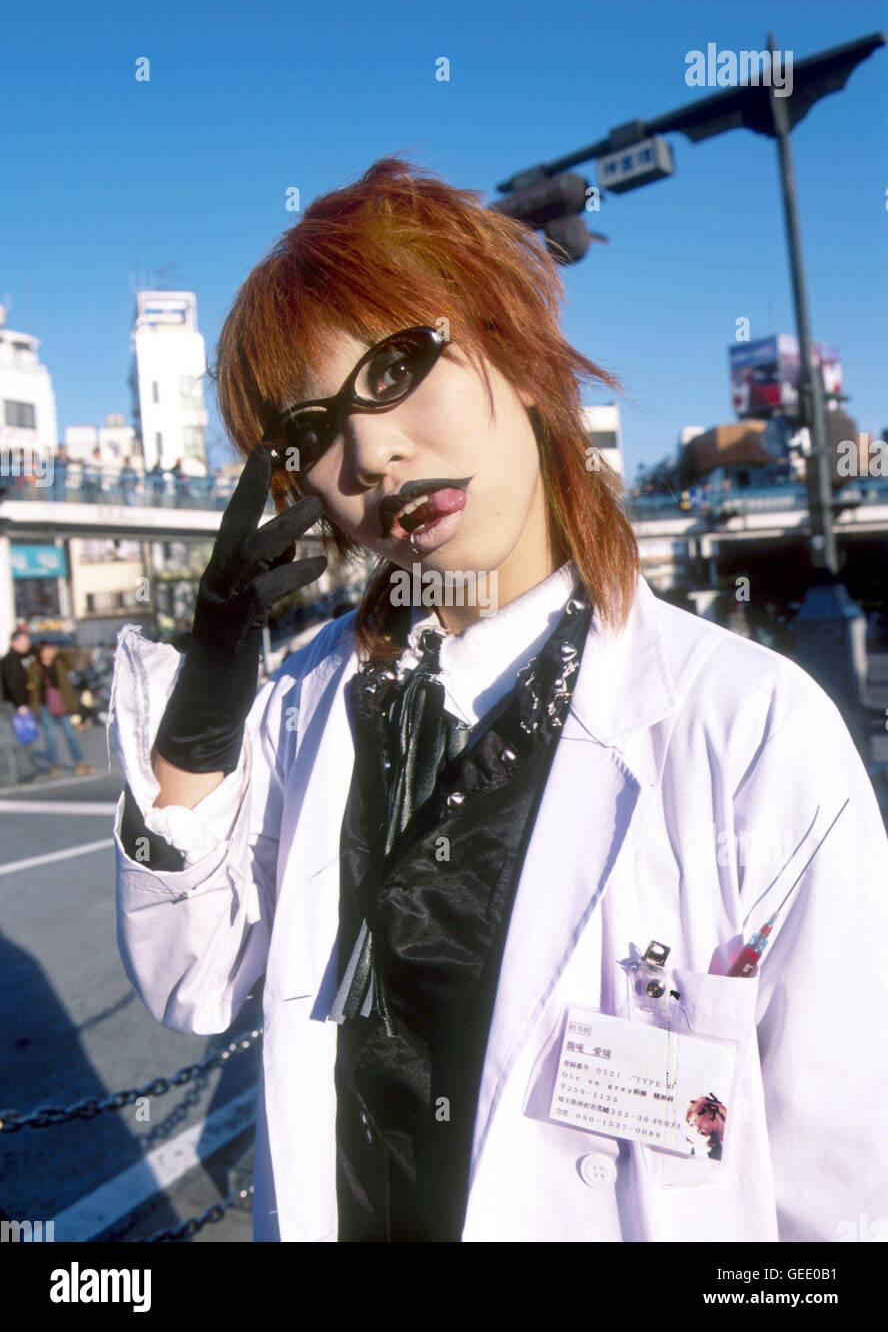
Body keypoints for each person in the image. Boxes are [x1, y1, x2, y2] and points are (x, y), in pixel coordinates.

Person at [110, 156, 888, 1244]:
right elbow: (189, 979)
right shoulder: (306, 705)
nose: (370, 450)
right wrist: (211, 681)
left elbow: (842, 1185)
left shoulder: (749, 726)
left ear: (518, 354)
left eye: (394, 372)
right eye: (309, 434)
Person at [28, 641, 96, 775]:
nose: (50, 651)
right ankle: (55, 765)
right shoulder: (34, 666)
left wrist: (59, 650)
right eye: (47, 649)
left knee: (70, 735)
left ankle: (80, 763)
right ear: (40, 651)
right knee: (50, 737)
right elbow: (33, 686)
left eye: (51, 649)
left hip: (62, 703)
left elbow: (72, 659)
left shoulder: (60, 662)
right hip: (44, 704)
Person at [0, 627, 39, 783]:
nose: (28, 644)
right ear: (14, 642)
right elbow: (13, 684)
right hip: (15, 705)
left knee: (21, 736)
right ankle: (24, 769)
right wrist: (21, 704)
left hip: (15, 704)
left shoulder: (17, 658)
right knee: (20, 737)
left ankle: (24, 768)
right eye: (24, 641)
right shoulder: (11, 661)